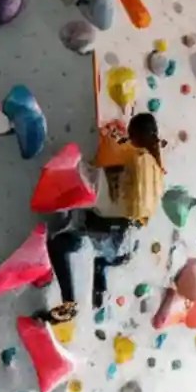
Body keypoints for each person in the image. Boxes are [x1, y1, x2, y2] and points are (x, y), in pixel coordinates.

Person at [44, 113, 165, 323]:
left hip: (111, 233)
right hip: (127, 244)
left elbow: (103, 159)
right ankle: (99, 283)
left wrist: (109, 136)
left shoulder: (137, 156)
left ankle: (69, 305)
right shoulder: (156, 167)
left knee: (59, 244)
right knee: (98, 250)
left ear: (135, 133)